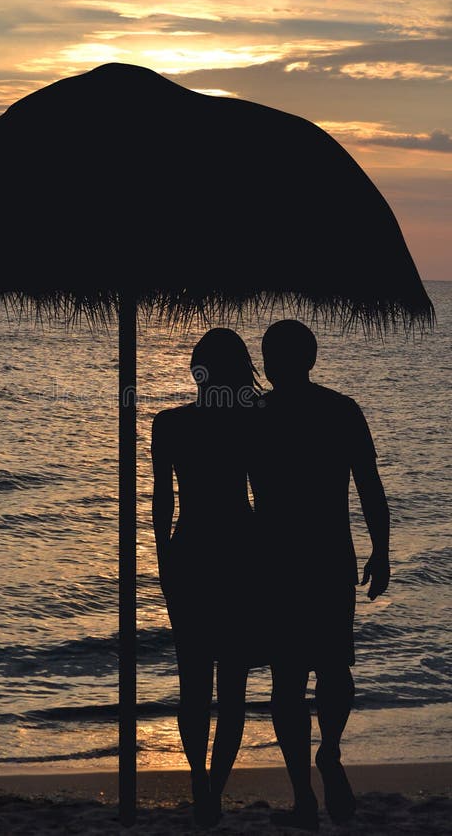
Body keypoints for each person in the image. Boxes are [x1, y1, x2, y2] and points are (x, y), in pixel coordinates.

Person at [248, 319, 391, 831]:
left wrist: (383, 546)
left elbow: (368, 482)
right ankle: (317, 768)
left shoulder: (262, 414)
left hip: (291, 558)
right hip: (318, 556)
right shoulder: (337, 410)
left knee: (299, 676)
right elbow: (369, 484)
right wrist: (381, 546)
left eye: (271, 354)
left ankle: (314, 773)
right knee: (323, 671)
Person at [151, 328, 266, 826]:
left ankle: (200, 776)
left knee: (193, 679)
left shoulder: (169, 424)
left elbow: (162, 502)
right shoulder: (253, 424)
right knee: (233, 683)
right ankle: (214, 785)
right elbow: (264, 499)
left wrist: (163, 559)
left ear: (197, 371)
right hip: (241, 553)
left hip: (190, 550)